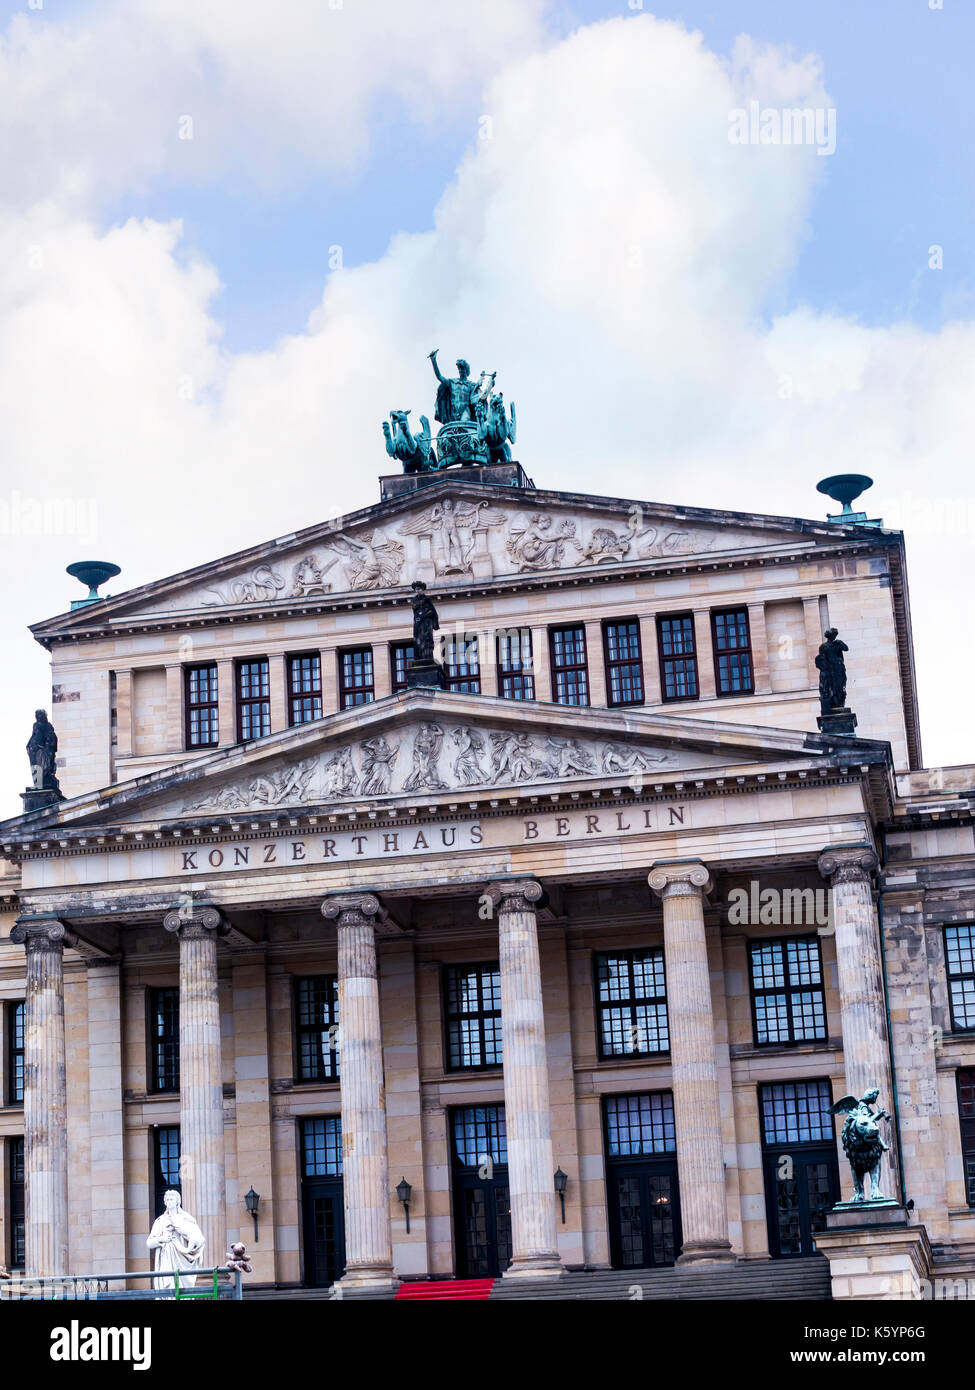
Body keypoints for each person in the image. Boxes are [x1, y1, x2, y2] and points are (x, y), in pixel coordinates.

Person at [147, 1190, 206, 1292]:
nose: (169, 1201)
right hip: (166, 1259)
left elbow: (199, 1239)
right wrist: (161, 1239)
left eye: (172, 1199)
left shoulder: (186, 1219)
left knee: (183, 1289)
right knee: (168, 1289)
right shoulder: (160, 1221)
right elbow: (149, 1243)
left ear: (177, 1201)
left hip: (182, 1259)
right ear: (165, 1202)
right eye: (167, 1199)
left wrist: (183, 1231)